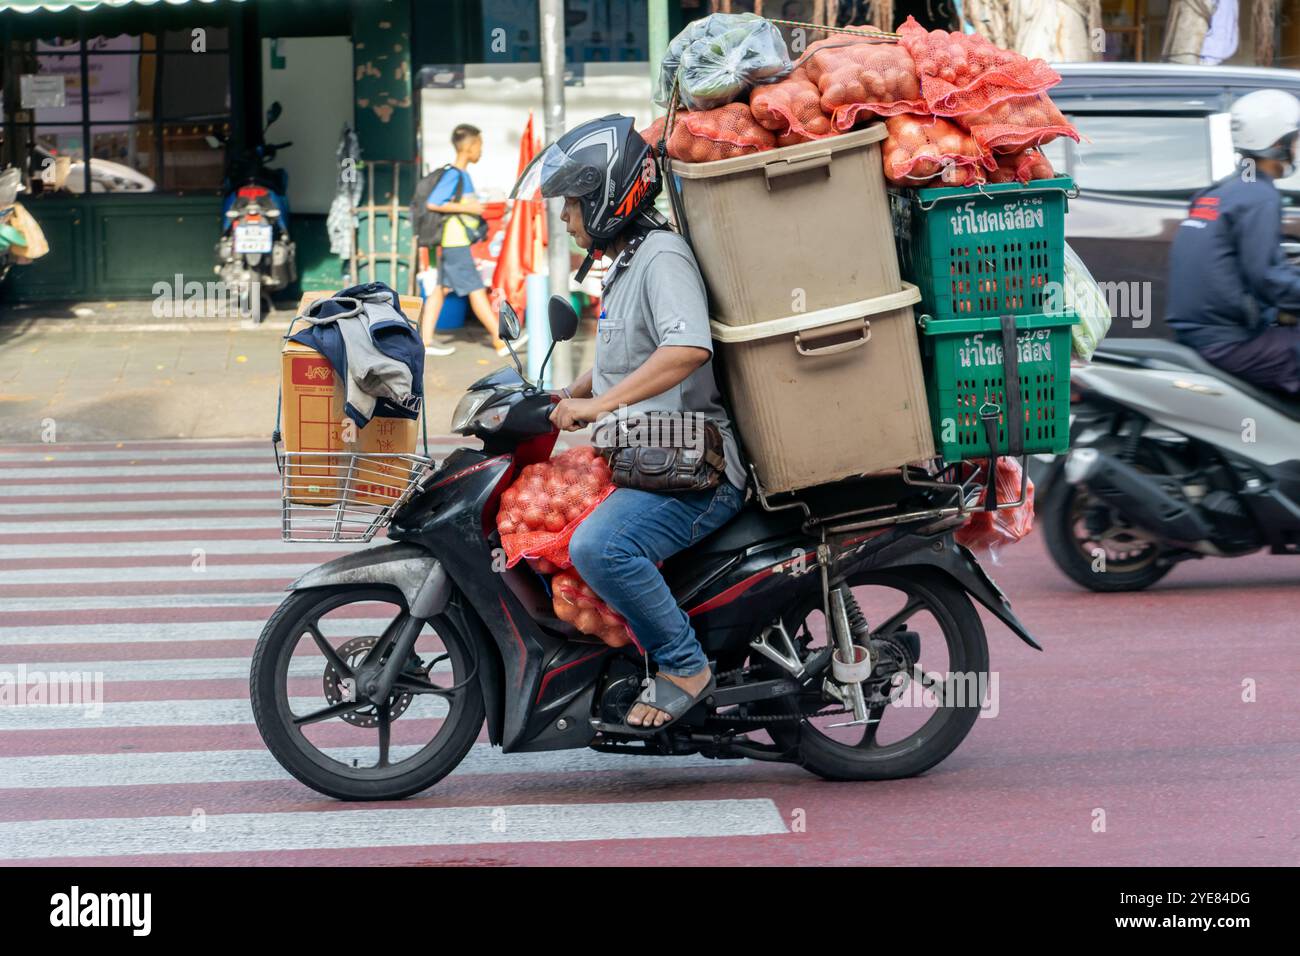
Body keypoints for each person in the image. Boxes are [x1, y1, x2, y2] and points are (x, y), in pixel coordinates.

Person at [511, 114, 746, 732]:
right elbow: (630, 356)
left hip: (697, 467)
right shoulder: (629, 260)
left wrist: (601, 406)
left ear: (608, 198)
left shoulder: (662, 257)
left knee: (600, 546)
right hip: (650, 453)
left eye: (573, 205)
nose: (567, 219)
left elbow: (686, 349)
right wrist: (571, 392)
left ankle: (684, 666)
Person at [1165, 89, 1300, 394]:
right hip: (1229, 342)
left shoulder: (1220, 192)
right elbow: (1268, 277)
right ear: (1278, 143)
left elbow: (1238, 270)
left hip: (1200, 334)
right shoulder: (1260, 196)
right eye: (1295, 139)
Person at [418, 123, 527, 357]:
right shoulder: (454, 174)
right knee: (476, 290)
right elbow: (433, 203)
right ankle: (500, 341)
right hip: (455, 242)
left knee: (440, 290)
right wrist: (469, 208)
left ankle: (424, 341)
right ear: (469, 146)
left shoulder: (461, 175)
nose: (481, 150)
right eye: (480, 145)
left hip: (452, 241)